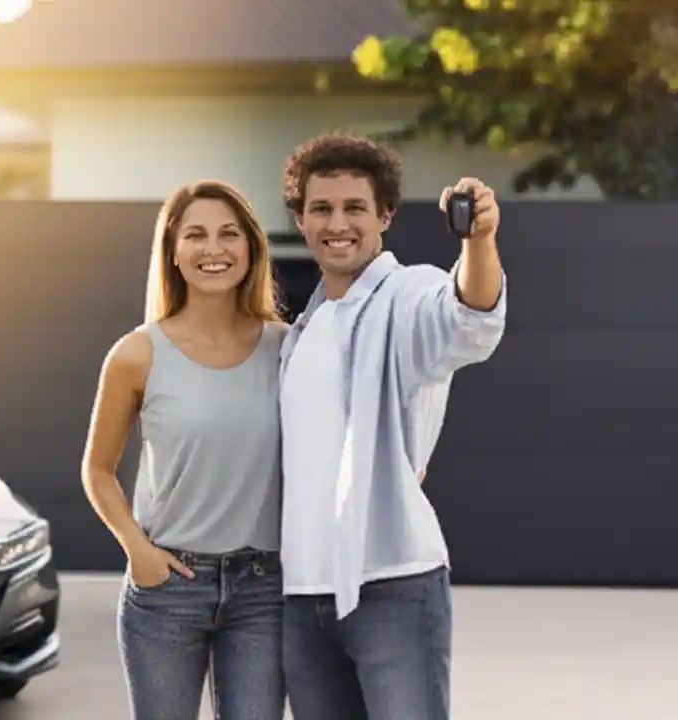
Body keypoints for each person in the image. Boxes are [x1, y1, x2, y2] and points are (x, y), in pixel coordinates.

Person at [276, 133, 508, 720]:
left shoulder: (406, 294)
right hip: (302, 596)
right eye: (321, 209)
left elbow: (467, 320)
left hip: (393, 584)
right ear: (300, 221)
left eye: (355, 207)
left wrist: (479, 241)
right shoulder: (301, 332)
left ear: (384, 215)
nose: (338, 224)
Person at [80, 180, 288, 720]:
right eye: (196, 235)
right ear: (173, 250)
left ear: (251, 247)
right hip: (169, 587)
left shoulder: (288, 347)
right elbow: (98, 471)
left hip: (264, 589)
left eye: (228, 234)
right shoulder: (136, 354)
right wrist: (138, 552)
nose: (213, 250)